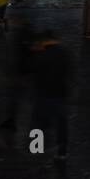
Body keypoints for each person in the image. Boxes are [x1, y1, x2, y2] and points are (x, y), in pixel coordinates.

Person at [30, 32, 71, 162]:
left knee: (39, 121)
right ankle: (62, 151)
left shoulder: (42, 55)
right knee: (61, 123)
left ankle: (38, 147)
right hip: (59, 93)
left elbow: (35, 72)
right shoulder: (63, 52)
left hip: (44, 93)